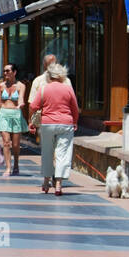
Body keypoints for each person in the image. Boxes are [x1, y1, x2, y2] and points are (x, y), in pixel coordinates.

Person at [29, 63, 80, 195]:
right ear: (62, 76)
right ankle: (58, 184)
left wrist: (31, 122)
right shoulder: (68, 89)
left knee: (47, 152)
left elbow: (33, 106)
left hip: (47, 124)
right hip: (65, 123)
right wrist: (74, 121)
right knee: (63, 154)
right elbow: (75, 108)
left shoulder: (44, 89)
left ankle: (46, 182)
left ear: (49, 76)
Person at [0, 63, 27, 176]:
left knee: (16, 145)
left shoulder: (21, 86)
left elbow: (21, 99)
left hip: (15, 114)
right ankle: (8, 167)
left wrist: (20, 104)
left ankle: (16, 164)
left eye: (8, 71)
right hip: (3, 114)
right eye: (4, 71)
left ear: (14, 72)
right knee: (6, 142)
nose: (5, 73)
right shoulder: (1, 85)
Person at [28, 53, 57, 148]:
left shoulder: (38, 81)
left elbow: (32, 104)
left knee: (47, 149)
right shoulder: (65, 80)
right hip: (59, 121)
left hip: (45, 120)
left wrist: (31, 121)